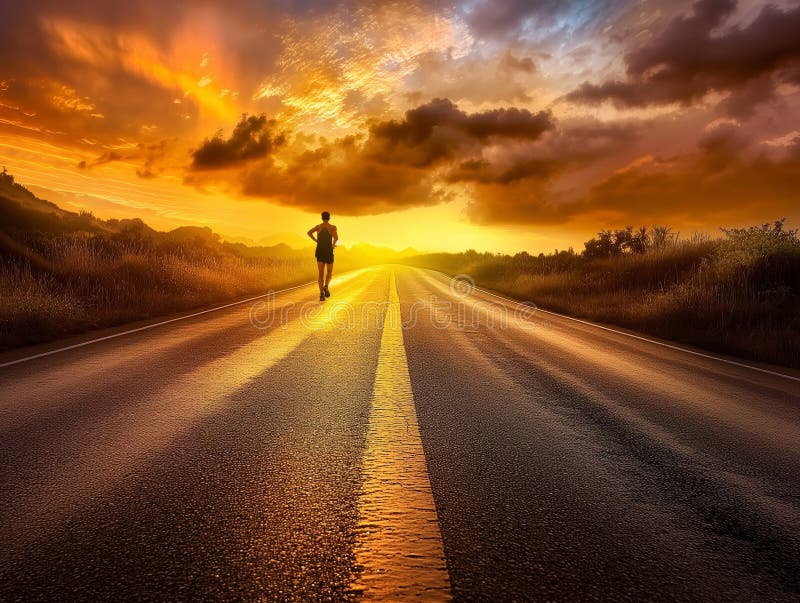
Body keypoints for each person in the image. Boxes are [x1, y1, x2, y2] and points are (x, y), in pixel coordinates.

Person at [307, 211, 338, 301]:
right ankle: (326, 286)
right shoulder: (332, 227)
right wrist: (333, 245)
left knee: (320, 274)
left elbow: (309, 232)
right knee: (329, 272)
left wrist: (316, 240)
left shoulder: (318, 227)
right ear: (329, 218)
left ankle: (321, 294)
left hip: (320, 251)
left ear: (322, 218)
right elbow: (336, 238)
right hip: (328, 251)